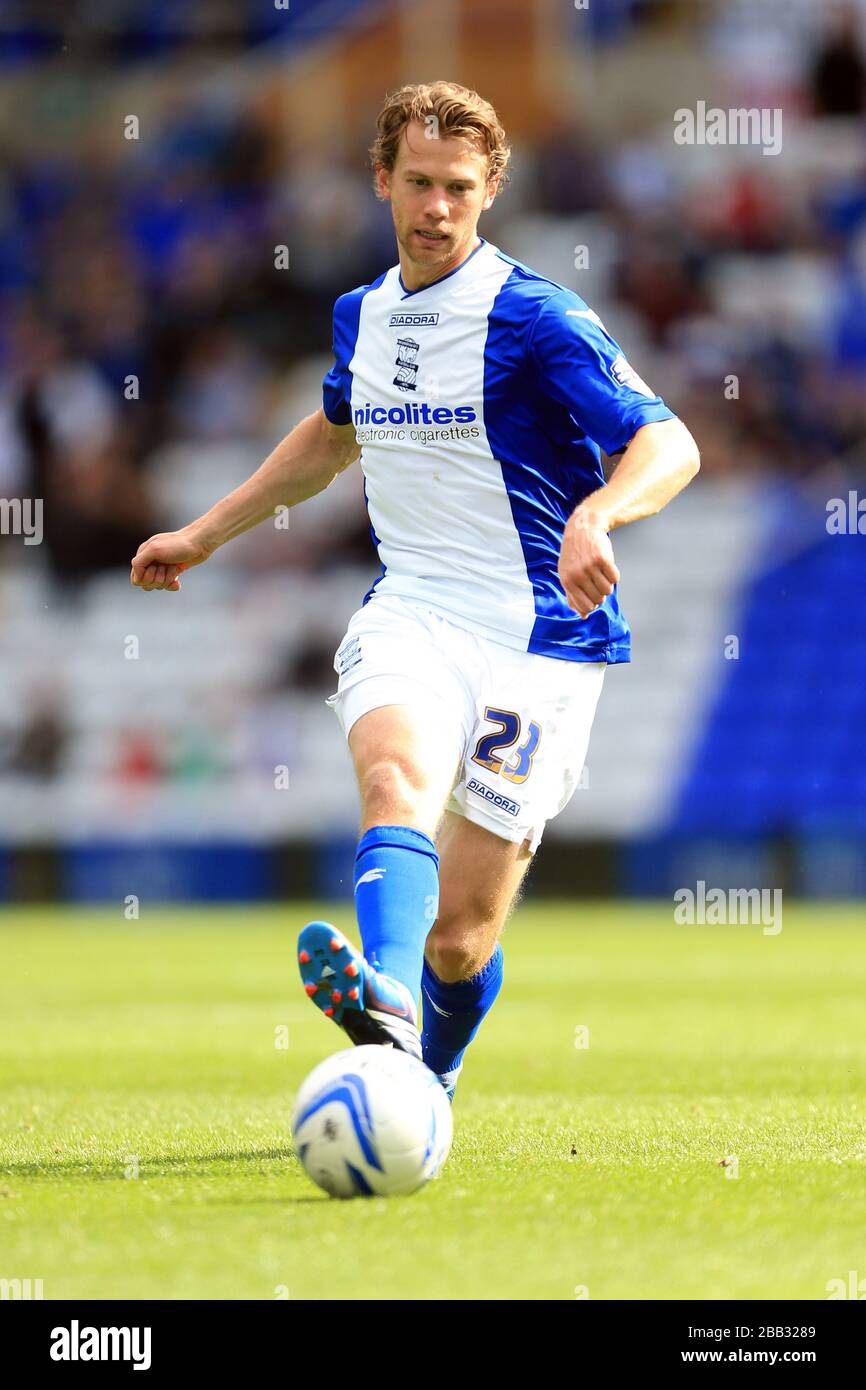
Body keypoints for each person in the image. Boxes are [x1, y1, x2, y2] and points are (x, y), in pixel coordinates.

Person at [131, 81, 700, 1101]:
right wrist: (203, 531)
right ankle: (382, 993)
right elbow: (333, 435)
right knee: (393, 779)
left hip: (539, 639)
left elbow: (670, 442)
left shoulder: (533, 316)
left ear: (489, 193)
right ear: (381, 181)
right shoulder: (362, 316)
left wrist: (597, 514)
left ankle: (419, 1073)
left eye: (459, 189)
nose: (436, 208)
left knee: (462, 937)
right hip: (414, 609)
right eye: (419, 185)